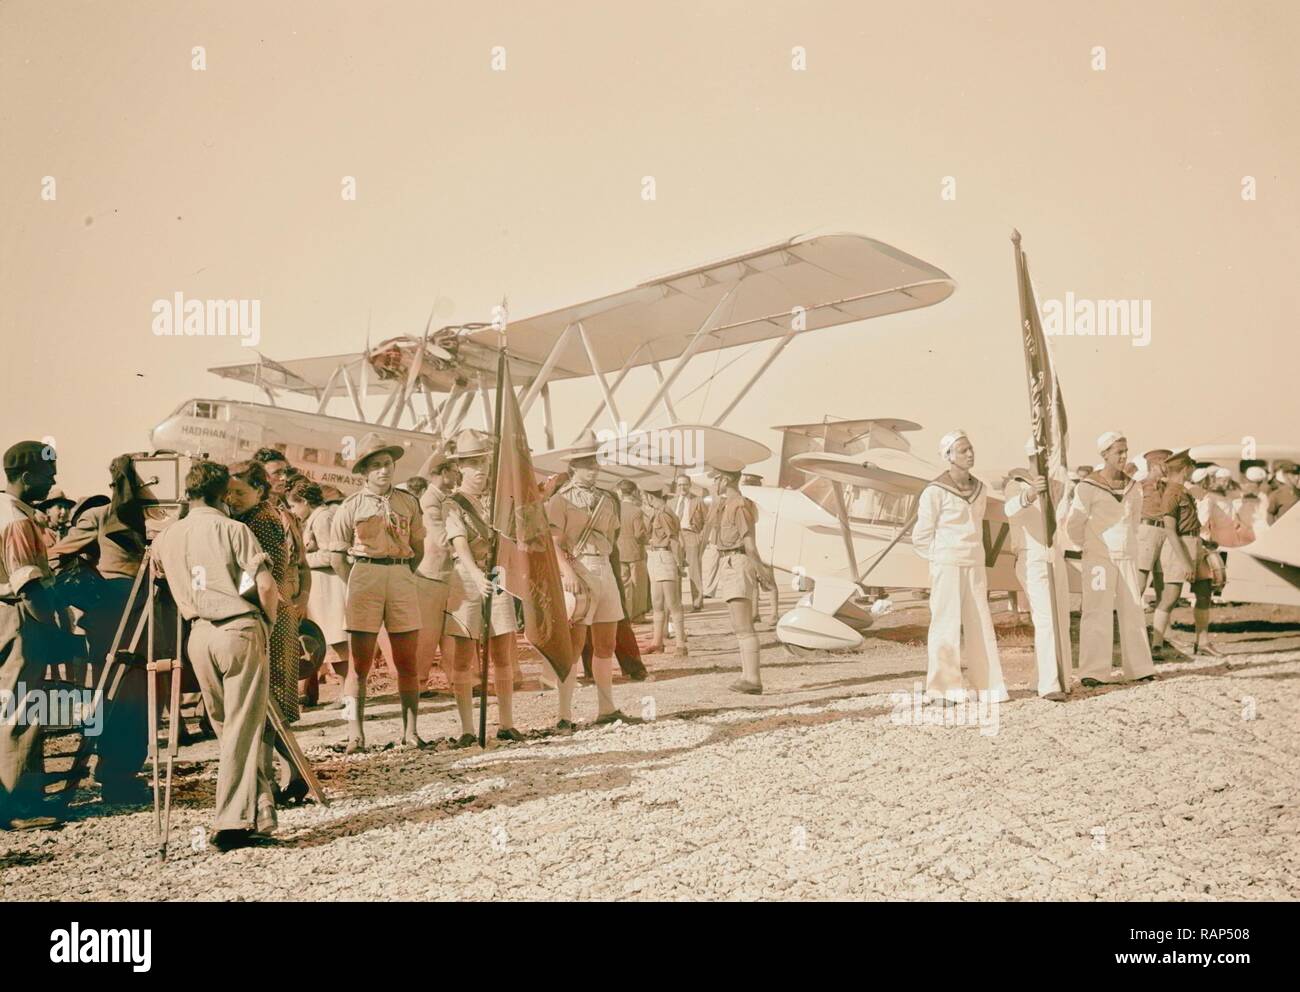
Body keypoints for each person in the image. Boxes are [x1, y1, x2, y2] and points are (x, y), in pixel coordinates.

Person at [153, 460, 279, 851]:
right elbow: (264, 584)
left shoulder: (166, 537)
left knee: (228, 728)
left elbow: (157, 581)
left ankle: (261, 810)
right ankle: (232, 820)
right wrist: (267, 624)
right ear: (223, 494)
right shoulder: (233, 528)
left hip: (198, 636)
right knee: (243, 726)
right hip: (238, 626)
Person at [46, 454, 151, 803]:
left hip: (146, 617)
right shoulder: (100, 515)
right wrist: (90, 589)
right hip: (111, 619)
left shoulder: (155, 519)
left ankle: (125, 772)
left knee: (141, 701)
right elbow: (57, 556)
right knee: (113, 697)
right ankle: (112, 775)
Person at [329, 434, 425, 751]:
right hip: (365, 575)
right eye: (376, 466)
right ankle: (356, 733)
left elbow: (419, 547)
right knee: (360, 663)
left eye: (388, 464)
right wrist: (357, 580)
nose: (384, 471)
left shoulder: (408, 502)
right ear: (365, 472)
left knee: (407, 660)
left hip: (400, 574)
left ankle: (410, 732)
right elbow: (337, 555)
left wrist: (401, 572)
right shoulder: (351, 506)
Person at [226, 461, 309, 804]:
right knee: (266, 704)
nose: (232, 498)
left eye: (239, 492)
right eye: (228, 492)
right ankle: (292, 774)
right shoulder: (257, 517)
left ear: (259, 490)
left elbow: (266, 578)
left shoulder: (260, 522)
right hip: (271, 614)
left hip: (269, 618)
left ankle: (268, 785)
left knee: (265, 703)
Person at [438, 430, 523, 745]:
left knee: (502, 649)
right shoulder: (454, 503)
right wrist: (476, 575)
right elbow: (459, 543)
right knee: (463, 655)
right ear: (460, 466)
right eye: (473, 463)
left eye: (483, 462)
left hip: (497, 575)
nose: (481, 469)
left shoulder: (497, 502)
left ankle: (507, 722)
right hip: (466, 578)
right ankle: (467, 729)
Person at [911, 430, 1008, 704]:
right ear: (948, 456)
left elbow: (977, 527)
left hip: (974, 564)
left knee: (981, 624)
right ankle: (943, 689)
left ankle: (990, 688)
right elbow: (921, 536)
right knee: (945, 624)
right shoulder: (934, 491)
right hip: (947, 565)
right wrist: (941, 557)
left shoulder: (981, 489)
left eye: (971, 448)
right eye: (963, 450)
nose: (970, 453)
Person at [547, 431, 632, 727]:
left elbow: (613, 538)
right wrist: (568, 572)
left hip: (604, 568)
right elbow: (554, 543)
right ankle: (564, 715)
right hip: (577, 569)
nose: (593, 468)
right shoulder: (560, 500)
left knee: (606, 644)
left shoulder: (607, 500)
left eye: (595, 462)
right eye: (586, 463)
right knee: (572, 647)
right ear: (573, 467)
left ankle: (606, 709)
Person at [0, 441, 64, 831]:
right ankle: (19, 804)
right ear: (26, 477)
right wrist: (54, 629)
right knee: (21, 708)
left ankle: (23, 793)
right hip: (19, 615)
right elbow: (30, 585)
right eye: (47, 474)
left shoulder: (10, 511)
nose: (53, 480)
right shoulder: (17, 519)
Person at [1064, 431, 1157, 687]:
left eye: (1125, 450)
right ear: (1105, 454)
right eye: (1118, 451)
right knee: (1096, 611)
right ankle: (1093, 671)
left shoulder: (1133, 487)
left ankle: (1139, 668)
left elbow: (1135, 521)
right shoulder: (1087, 487)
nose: (1124, 456)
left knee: (1133, 611)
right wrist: (1091, 548)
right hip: (1098, 559)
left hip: (1126, 556)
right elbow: (1074, 524)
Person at [1003, 443, 1070, 701]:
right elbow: (1009, 509)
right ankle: (1049, 685)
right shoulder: (1016, 483)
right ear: (1031, 456)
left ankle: (1046, 676)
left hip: (1055, 555)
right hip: (1031, 557)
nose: (1044, 459)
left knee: (1060, 618)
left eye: (1047, 454)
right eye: (1039, 455)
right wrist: (1030, 494)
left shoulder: (1059, 485)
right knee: (1045, 620)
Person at [703, 456, 774, 695]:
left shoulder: (740, 506)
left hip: (738, 560)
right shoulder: (726, 505)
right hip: (730, 561)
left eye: (716, 479)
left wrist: (762, 573)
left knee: (743, 625)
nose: (714, 484)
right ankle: (748, 676)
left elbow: (750, 544)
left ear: (724, 479)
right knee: (739, 624)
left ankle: (753, 679)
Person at [1149, 453, 1217, 658]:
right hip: (1179, 547)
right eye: (1190, 467)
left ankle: (1203, 642)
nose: (1192, 470)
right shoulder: (1172, 494)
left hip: (1195, 542)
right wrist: (1186, 562)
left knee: (1204, 592)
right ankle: (1156, 645)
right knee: (1170, 597)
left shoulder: (1183, 491)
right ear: (1185, 468)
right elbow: (1170, 530)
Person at [285, 478, 339, 706]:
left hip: (328, 583)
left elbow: (331, 554)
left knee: (335, 640)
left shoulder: (323, 518)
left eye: (294, 506)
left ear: (305, 501)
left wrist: (302, 560)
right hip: (318, 584)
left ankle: (346, 693)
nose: (293, 511)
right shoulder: (314, 518)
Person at [415, 446, 457, 695]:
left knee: (452, 631)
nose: (457, 474)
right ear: (441, 473)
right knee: (427, 633)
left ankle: (457, 679)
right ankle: (419, 681)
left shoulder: (445, 498)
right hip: (431, 574)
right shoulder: (431, 500)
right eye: (453, 470)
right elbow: (441, 537)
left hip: (445, 573)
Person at [641, 481, 688, 657]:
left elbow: (674, 540)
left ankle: (681, 644)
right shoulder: (659, 513)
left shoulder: (664, 514)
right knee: (657, 604)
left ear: (650, 496)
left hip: (665, 556)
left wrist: (678, 563)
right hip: (656, 557)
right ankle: (657, 642)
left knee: (673, 604)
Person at [1136, 448, 1173, 605]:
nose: (1168, 468)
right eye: (1165, 464)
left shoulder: (1168, 487)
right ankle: (1130, 617)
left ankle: (1163, 623)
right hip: (1147, 530)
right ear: (1154, 466)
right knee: (1141, 578)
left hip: (1165, 531)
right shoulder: (1141, 486)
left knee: (1162, 579)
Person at [616, 480, 650, 623]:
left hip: (619, 550)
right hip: (635, 552)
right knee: (639, 585)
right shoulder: (636, 511)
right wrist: (648, 540)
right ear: (634, 492)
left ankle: (626, 614)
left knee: (624, 585)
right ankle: (638, 615)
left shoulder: (616, 509)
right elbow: (639, 534)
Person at [672, 475, 707, 611]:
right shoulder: (672, 501)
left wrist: (700, 537)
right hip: (676, 536)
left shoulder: (697, 500)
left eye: (685, 484)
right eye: (680, 485)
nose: (682, 487)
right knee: (676, 570)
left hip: (691, 535)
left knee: (695, 571)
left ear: (690, 485)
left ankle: (697, 603)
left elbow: (707, 521)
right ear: (677, 486)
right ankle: (677, 604)